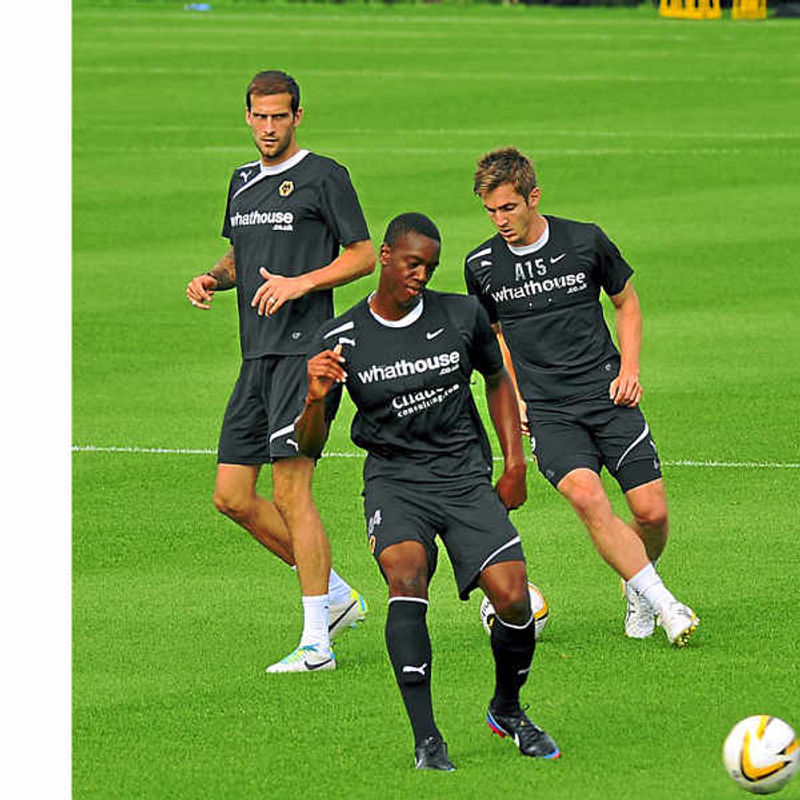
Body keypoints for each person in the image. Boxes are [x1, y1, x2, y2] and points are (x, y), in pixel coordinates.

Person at [295, 213, 560, 770]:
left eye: (430, 266)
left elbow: (497, 379)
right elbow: (309, 441)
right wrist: (316, 397)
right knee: (406, 577)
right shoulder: (341, 339)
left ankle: (507, 710)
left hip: (464, 476)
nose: (421, 274)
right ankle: (427, 739)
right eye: (413, 263)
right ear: (386, 256)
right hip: (396, 481)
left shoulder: (461, 314)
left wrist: (514, 461)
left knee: (513, 598)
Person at [464, 147, 697, 646]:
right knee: (587, 496)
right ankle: (664, 603)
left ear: (534, 197)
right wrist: (517, 396)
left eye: (508, 207)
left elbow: (626, 303)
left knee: (652, 513)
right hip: (549, 411)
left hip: (608, 395)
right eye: (490, 210)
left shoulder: (584, 241)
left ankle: (636, 581)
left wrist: (631, 370)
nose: (500, 220)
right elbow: (496, 337)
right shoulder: (482, 265)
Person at [184, 70, 375, 672]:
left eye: (279, 116)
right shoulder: (241, 182)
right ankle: (337, 596)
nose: (269, 127)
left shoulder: (325, 176)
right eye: (259, 116)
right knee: (232, 496)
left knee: (292, 492)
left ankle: (317, 641)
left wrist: (303, 283)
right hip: (255, 358)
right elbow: (243, 254)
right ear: (247, 117)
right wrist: (213, 278)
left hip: (305, 357)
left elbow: (364, 255)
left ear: (297, 117)